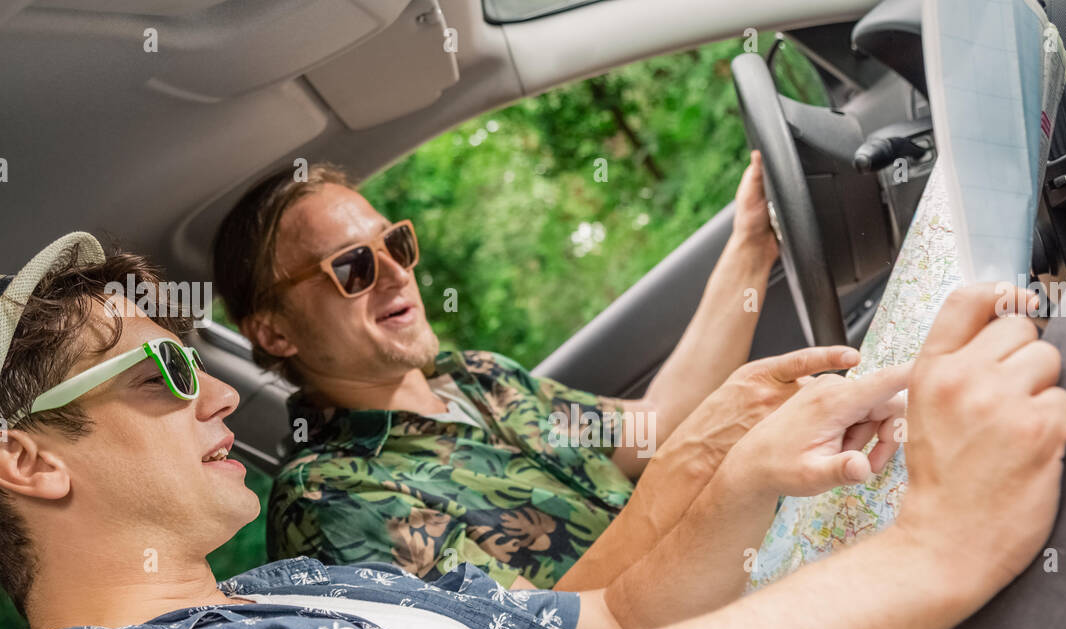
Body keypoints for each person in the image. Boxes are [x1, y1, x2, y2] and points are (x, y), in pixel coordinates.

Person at [0, 226, 1065, 629]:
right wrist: (932, 546)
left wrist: (757, 466)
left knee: (1065, 347)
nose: (213, 400)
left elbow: (615, 617)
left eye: (397, 245)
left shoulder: (294, 589)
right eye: (161, 372)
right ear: (27, 461)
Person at [213, 157, 803, 591]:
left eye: (395, 244)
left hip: (746, 590)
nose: (396, 273)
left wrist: (752, 244)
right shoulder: (327, 498)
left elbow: (656, 428)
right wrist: (698, 463)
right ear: (275, 332)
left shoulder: (479, 377)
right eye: (353, 266)